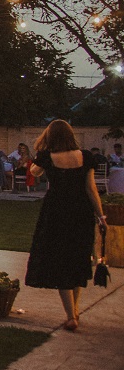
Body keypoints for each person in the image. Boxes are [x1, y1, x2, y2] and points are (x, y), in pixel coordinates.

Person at [25, 119, 107, 331]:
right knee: (78, 258)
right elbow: (91, 189)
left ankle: (71, 316)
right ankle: (75, 310)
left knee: (61, 260)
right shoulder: (86, 157)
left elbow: (34, 173)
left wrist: (42, 150)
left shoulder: (47, 157)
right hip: (81, 212)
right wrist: (101, 216)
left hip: (56, 212)